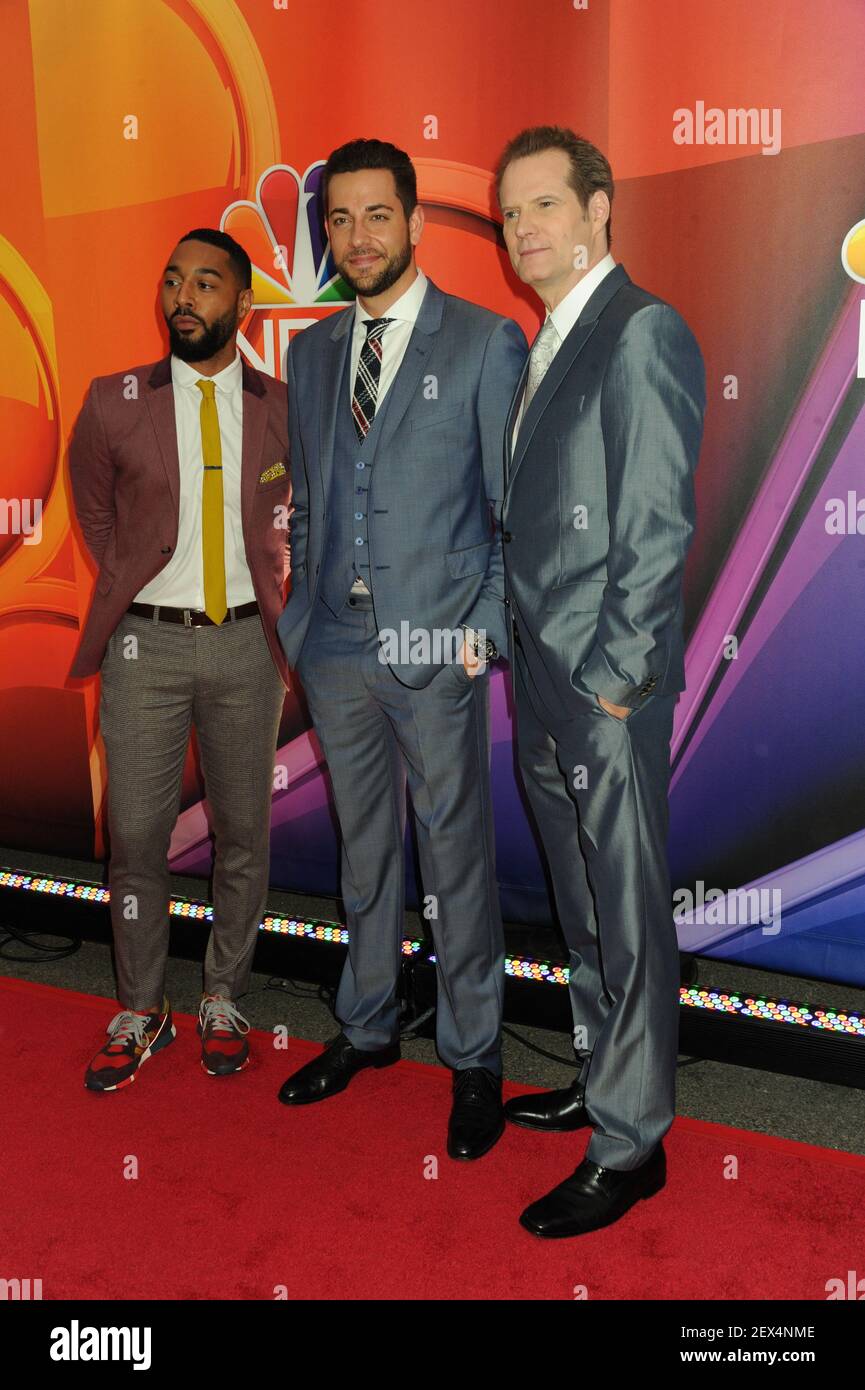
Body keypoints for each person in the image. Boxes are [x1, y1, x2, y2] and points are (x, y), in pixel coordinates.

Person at [276, 139, 527, 1160]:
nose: (356, 238)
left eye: (377, 215)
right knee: (366, 853)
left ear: (417, 222)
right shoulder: (309, 351)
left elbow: (515, 515)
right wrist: (298, 613)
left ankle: (474, 1058)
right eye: (338, 219)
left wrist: (483, 631)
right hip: (332, 642)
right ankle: (367, 1025)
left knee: (456, 860)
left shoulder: (484, 342)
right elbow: (307, 493)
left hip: (438, 644)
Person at [496, 126, 705, 1235]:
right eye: (509, 214)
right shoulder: (547, 340)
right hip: (539, 679)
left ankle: (631, 1146)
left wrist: (617, 681)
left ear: (597, 207)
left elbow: (657, 522)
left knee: (625, 914)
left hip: (601, 689)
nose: (523, 230)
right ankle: (597, 1075)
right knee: (582, 908)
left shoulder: (639, 331)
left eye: (542, 205)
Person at [68, 228, 290, 1090]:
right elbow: (95, 518)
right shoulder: (112, 400)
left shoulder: (280, 405)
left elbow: (297, 516)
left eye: (206, 283)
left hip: (246, 646)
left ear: (242, 303)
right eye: (172, 281)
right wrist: (135, 585)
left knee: (243, 834)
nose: (183, 297)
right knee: (134, 839)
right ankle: (142, 1005)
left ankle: (224, 995)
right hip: (143, 645)